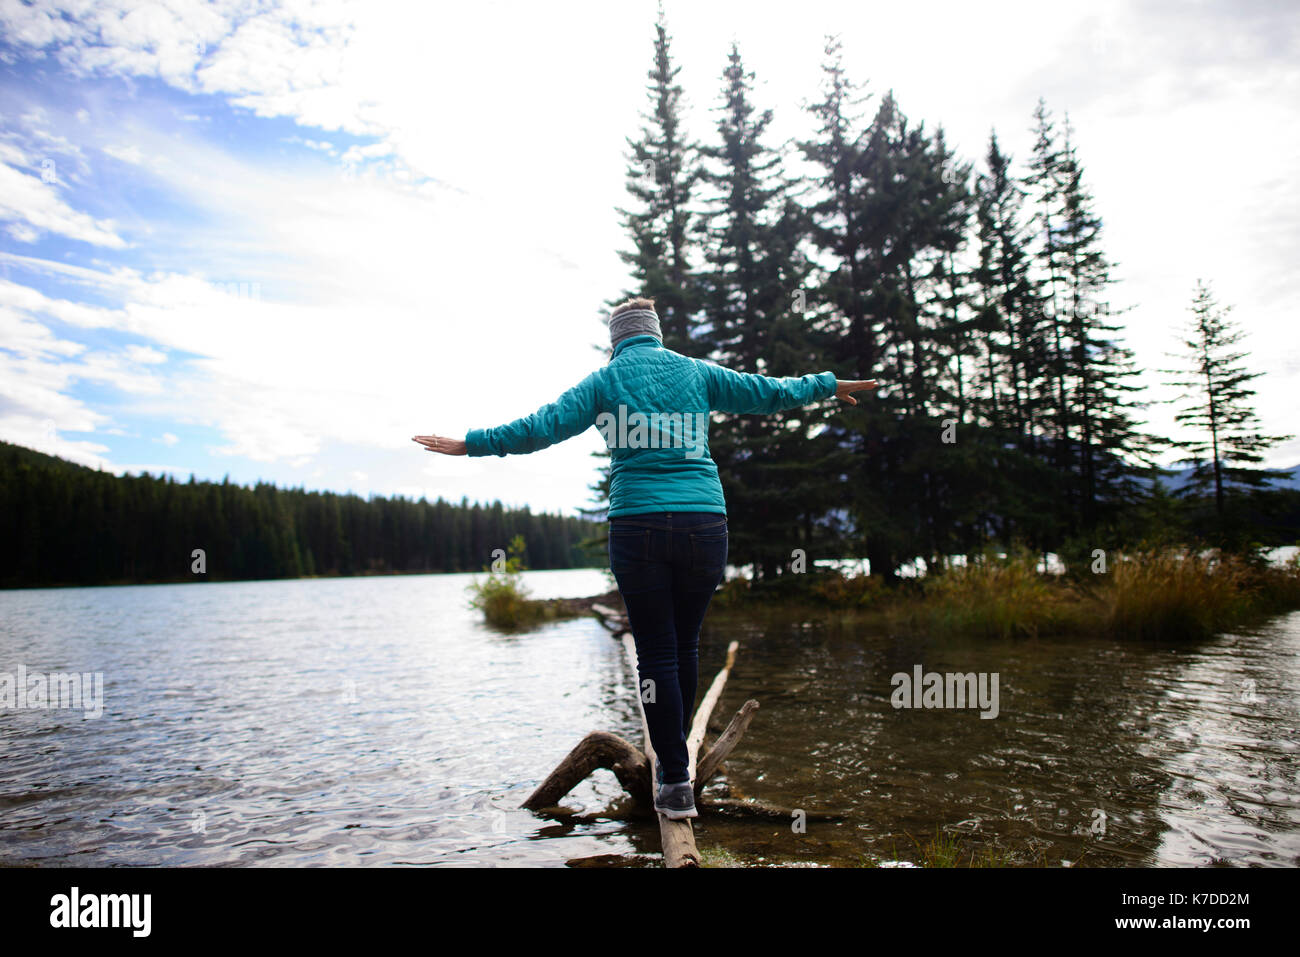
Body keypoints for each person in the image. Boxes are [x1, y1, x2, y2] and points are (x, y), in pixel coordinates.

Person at [412, 297, 876, 820]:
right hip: (705, 525)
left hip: (638, 528)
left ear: (617, 340)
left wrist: (471, 444)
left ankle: (675, 782)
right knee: (686, 645)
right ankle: (677, 757)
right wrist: (825, 385)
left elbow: (540, 427)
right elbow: (766, 392)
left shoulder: (603, 382)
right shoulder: (696, 372)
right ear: (656, 333)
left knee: (656, 654)